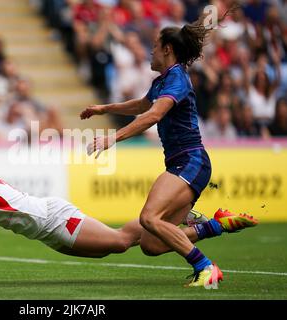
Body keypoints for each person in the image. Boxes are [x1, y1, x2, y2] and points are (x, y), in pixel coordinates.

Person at [0, 128, 257, 264]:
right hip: (49, 231)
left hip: (56, 220)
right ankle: (198, 223)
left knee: (127, 241)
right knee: (128, 242)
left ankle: (207, 224)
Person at [79, 6, 258, 287]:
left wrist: (113, 138)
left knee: (149, 217)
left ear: (168, 49)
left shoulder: (176, 79)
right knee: (152, 243)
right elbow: (141, 105)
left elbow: (153, 115)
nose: (151, 53)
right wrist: (104, 108)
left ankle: (206, 267)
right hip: (183, 163)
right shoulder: (163, 80)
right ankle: (216, 224)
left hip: (190, 161)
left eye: (154, 47)